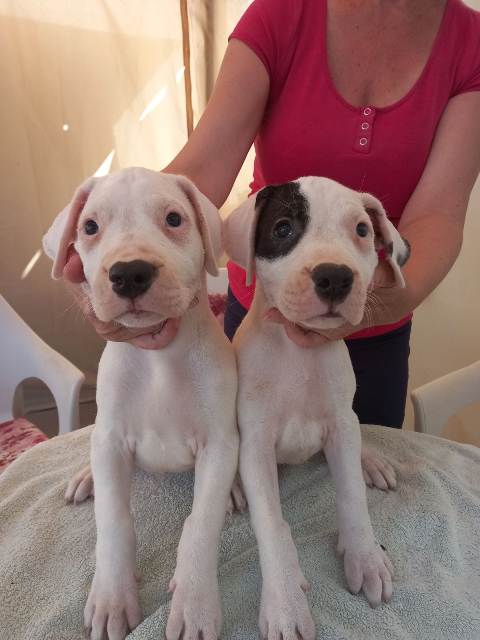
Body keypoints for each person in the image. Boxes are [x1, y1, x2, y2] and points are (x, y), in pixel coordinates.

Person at [64, 0, 480, 428]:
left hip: (374, 326)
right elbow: (202, 169)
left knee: (359, 473)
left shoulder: (471, 43)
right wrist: (114, 240)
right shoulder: (281, 13)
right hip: (265, 320)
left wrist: (379, 301)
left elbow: (437, 217)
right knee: (247, 464)